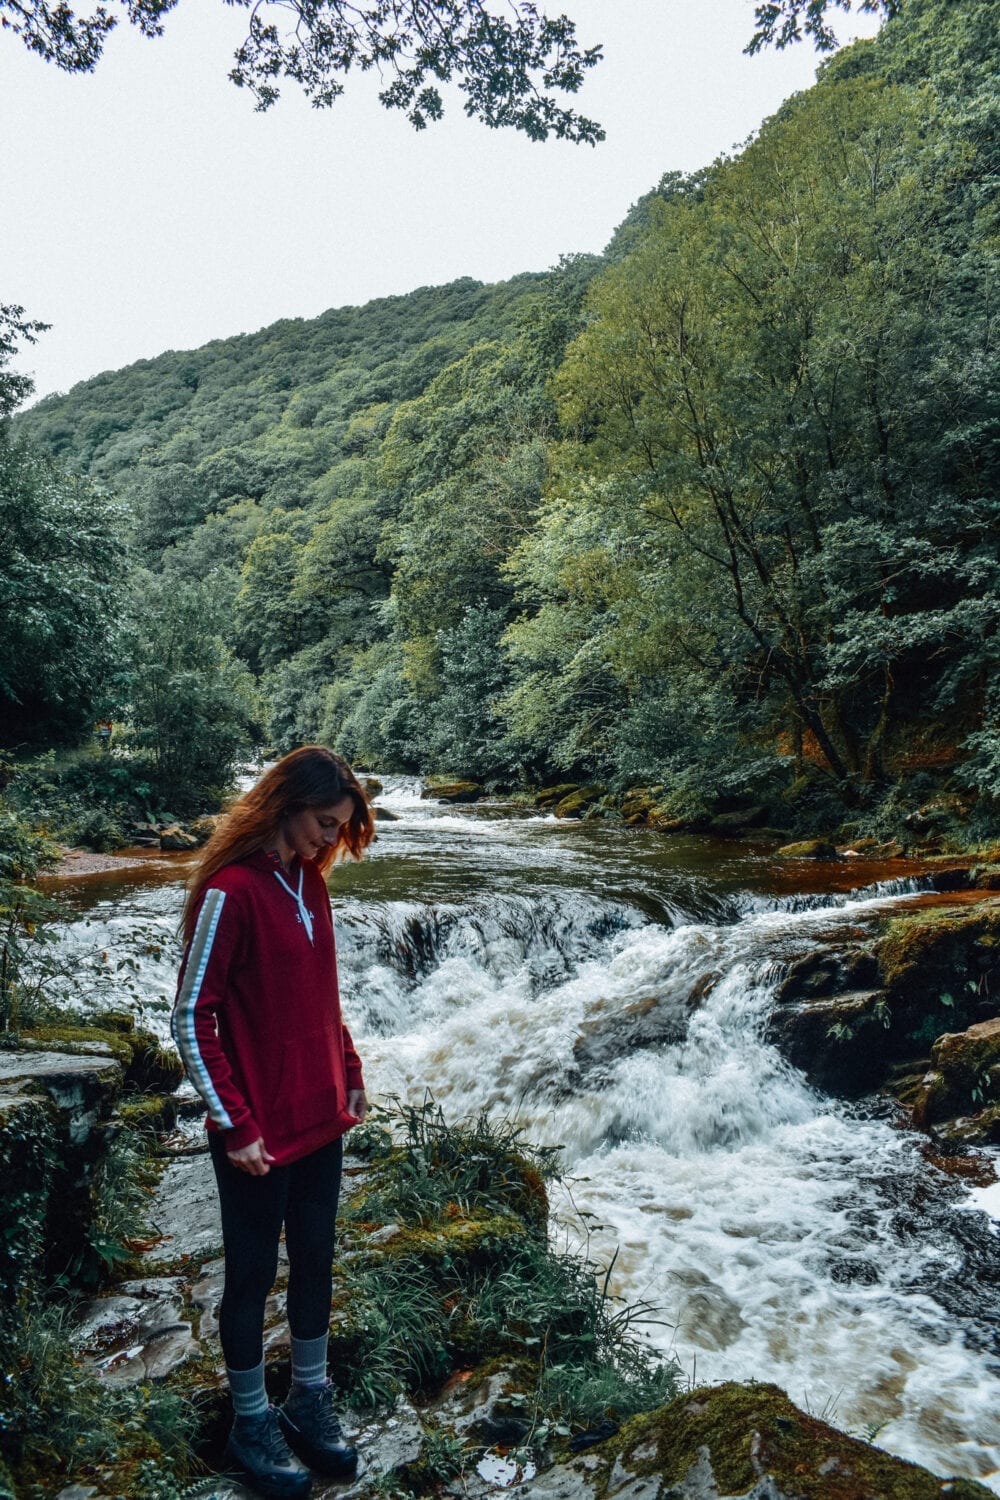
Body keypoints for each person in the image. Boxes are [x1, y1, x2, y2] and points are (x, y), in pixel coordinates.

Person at [172, 746, 376, 1498]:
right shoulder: (230, 892)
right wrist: (235, 1123)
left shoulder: (309, 883)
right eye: (324, 822)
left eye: (339, 826)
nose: (330, 838)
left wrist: (348, 1071)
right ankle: (251, 1420)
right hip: (257, 1134)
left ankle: (308, 1401)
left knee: (316, 1260)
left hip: (320, 1115)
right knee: (252, 1276)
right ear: (286, 805)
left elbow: (322, 996)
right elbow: (191, 1016)